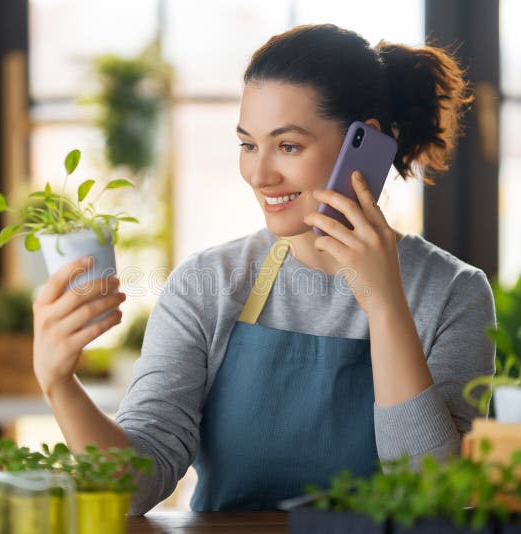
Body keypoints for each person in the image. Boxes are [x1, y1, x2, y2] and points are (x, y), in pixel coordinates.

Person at [32, 23, 496, 515]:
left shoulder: (453, 293)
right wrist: (60, 385)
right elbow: (134, 487)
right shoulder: (207, 284)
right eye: (248, 144)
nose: (259, 174)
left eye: (288, 146)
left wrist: (384, 306)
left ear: (364, 143)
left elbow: (437, 496)